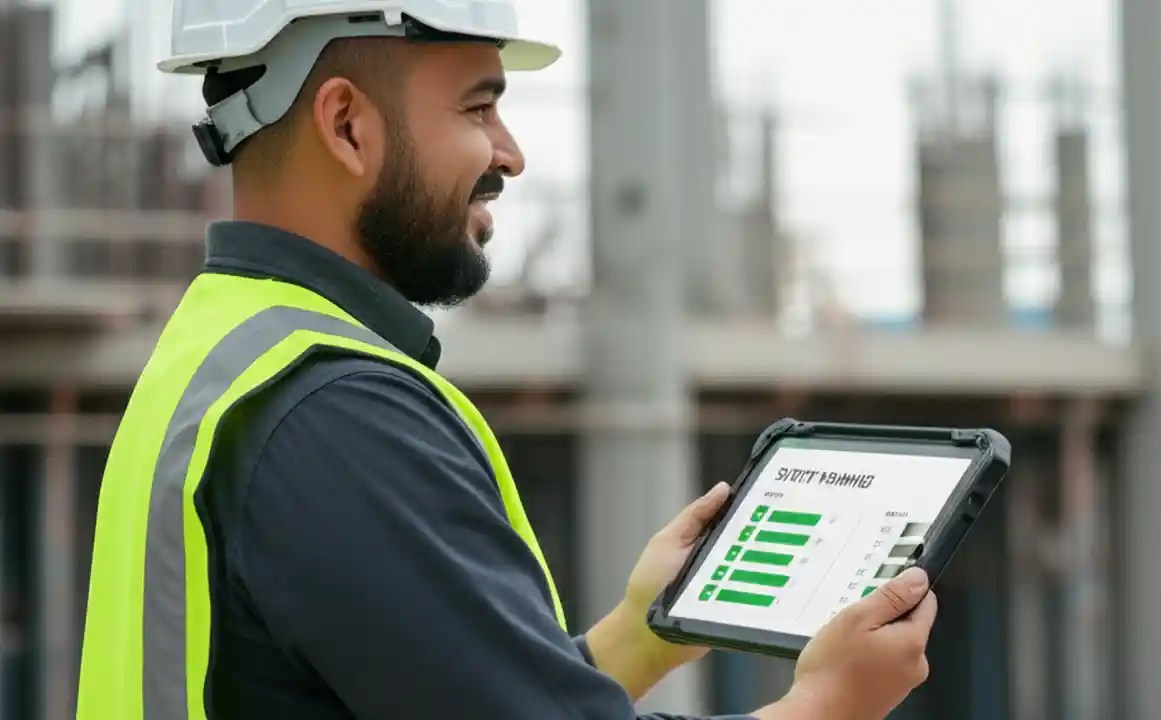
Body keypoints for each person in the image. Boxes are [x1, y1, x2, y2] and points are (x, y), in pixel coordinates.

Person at [75, 2, 938, 718]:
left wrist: (639, 633)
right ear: (345, 125)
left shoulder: (224, 353)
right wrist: (828, 703)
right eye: (477, 108)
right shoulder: (335, 417)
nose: (511, 153)